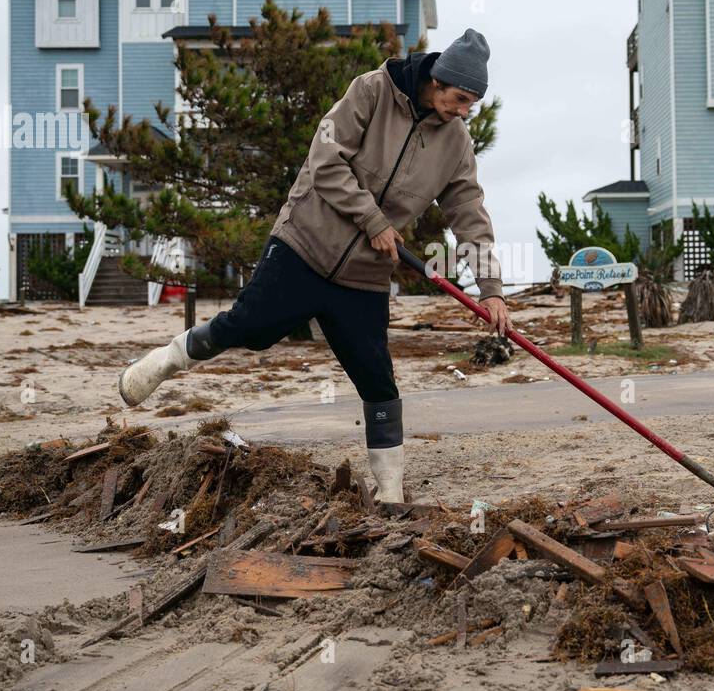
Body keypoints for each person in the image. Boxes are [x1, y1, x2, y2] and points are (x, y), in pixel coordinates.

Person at [118, 29, 509, 503]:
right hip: (304, 245)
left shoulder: (456, 143)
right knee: (249, 327)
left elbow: (468, 210)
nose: (464, 110)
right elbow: (326, 160)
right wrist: (372, 219)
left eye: (472, 104)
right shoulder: (372, 90)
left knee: (377, 379)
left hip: (363, 276)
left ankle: (389, 493)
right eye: (461, 99)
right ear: (438, 81)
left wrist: (490, 289)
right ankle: (165, 360)